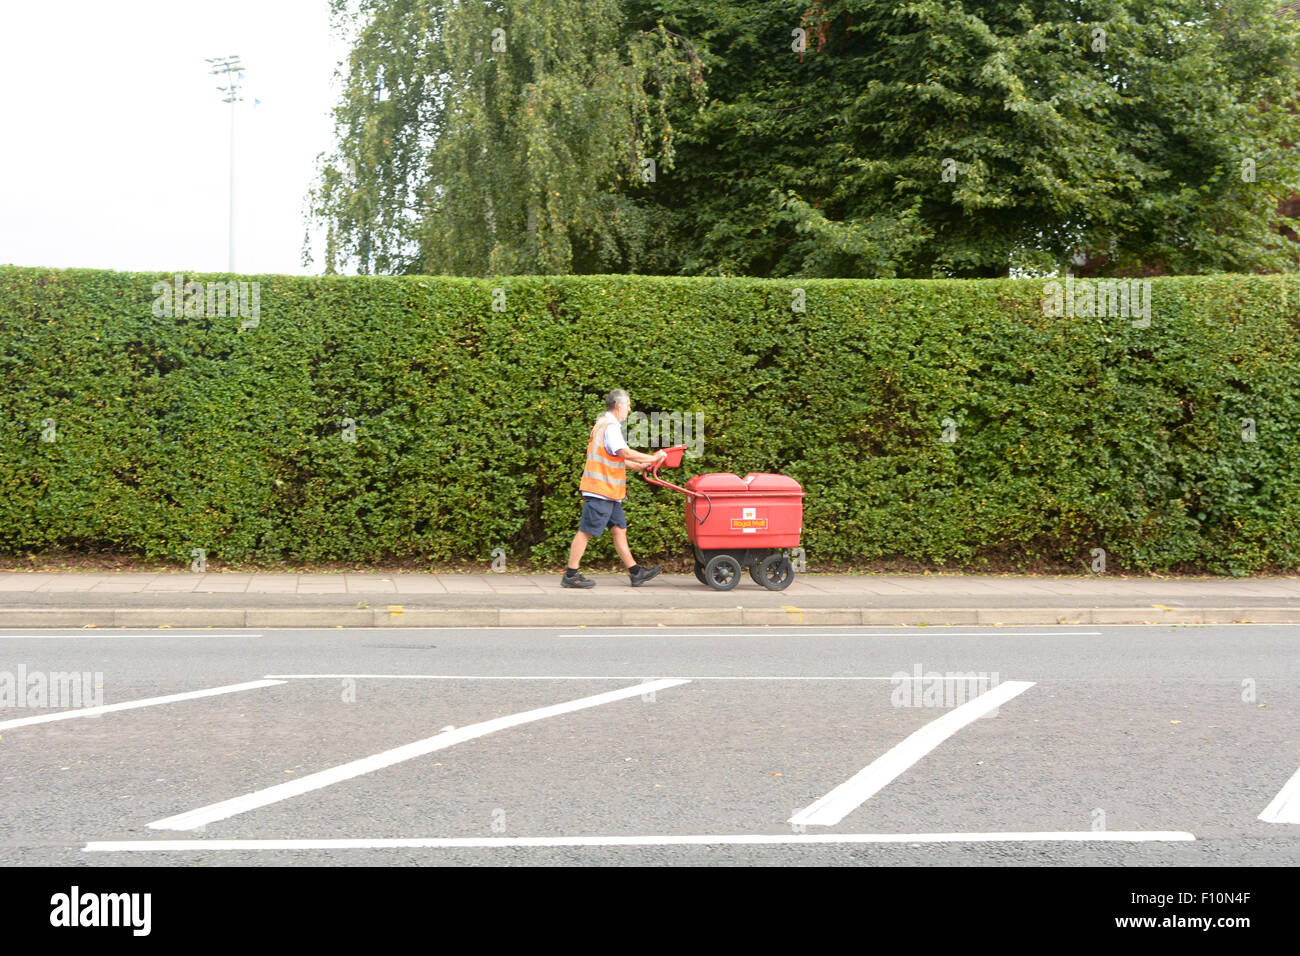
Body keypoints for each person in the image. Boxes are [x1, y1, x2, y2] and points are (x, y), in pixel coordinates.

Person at [562, 390, 666, 588]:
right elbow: (624, 452)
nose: (629, 408)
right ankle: (570, 575)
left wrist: (638, 466)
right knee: (586, 531)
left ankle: (636, 572)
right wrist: (652, 458)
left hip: (608, 492)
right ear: (618, 406)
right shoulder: (610, 427)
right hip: (601, 490)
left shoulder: (602, 425)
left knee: (619, 529)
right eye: (628, 404)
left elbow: (614, 457)